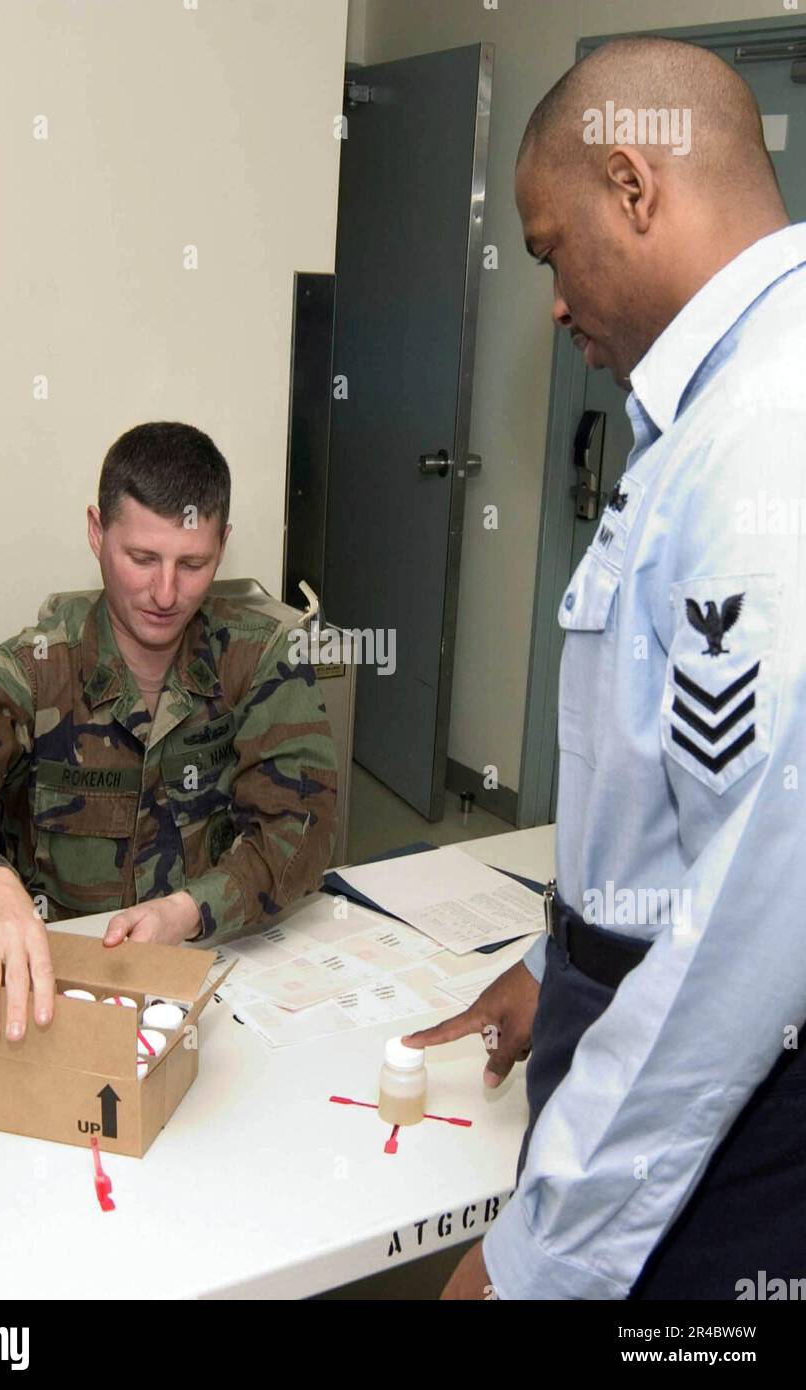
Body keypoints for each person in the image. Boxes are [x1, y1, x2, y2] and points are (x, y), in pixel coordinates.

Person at [407, 35, 806, 1300]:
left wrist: (535, 1257)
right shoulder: (709, 415)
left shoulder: (768, 441)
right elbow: (668, 786)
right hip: (632, 1030)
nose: (558, 301)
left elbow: (751, 932)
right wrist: (558, 962)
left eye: (547, 251)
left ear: (633, 188)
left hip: (726, 1134)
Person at [0, 422, 337, 1043]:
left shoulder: (259, 659)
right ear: (97, 533)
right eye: (142, 559)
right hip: (60, 993)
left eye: (193, 563)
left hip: (220, 976)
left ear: (222, 546)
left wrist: (190, 910)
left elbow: (303, 825)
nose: (166, 593)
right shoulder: (39, 666)